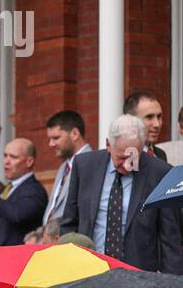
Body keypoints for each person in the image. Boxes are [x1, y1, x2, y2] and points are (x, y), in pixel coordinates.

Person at [60, 114, 183, 273]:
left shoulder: (160, 173)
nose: (127, 165)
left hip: (138, 278)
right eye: (121, 157)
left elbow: (170, 240)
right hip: (89, 273)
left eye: (134, 157)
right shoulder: (84, 166)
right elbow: (69, 224)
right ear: (108, 145)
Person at [43, 110, 92, 225]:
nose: (51, 144)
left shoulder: (91, 164)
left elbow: (84, 213)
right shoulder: (63, 168)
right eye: (50, 139)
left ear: (75, 134)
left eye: (56, 138)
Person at [124, 91, 166, 159]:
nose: (157, 124)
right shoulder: (121, 157)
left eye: (159, 116)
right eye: (149, 117)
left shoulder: (161, 155)